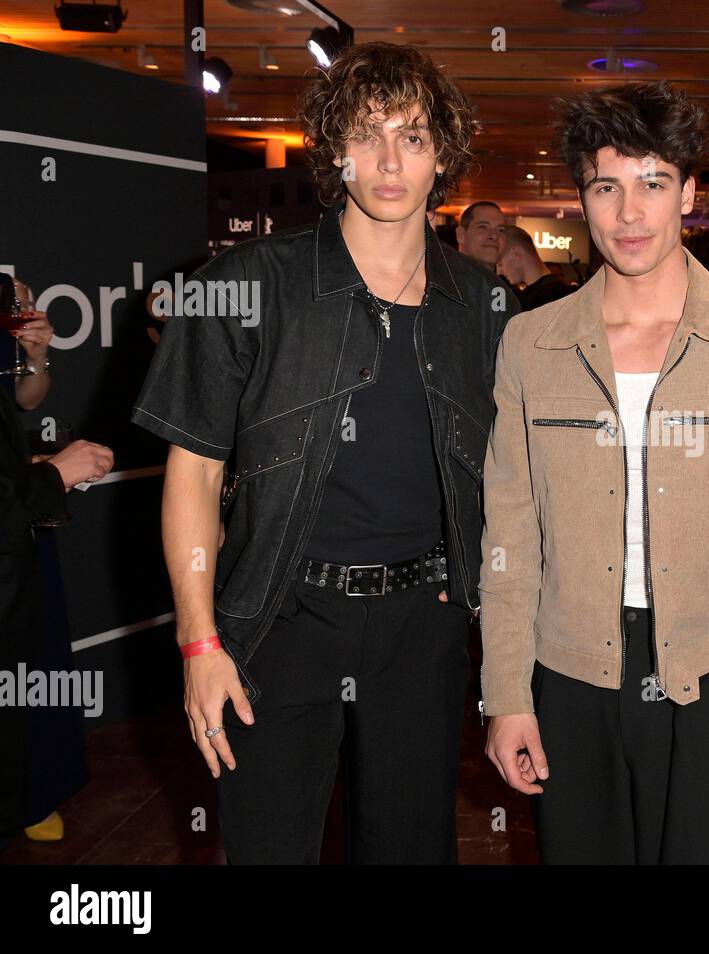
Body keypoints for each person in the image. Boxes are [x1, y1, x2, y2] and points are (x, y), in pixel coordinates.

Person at [130, 42, 519, 864]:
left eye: (412, 137)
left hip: (426, 623)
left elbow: (513, 486)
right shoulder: (247, 283)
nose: (387, 160)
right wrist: (200, 644)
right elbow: (193, 476)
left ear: (442, 155)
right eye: (365, 133)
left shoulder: (485, 306)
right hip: (280, 618)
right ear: (332, 149)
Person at [479, 79, 709, 864]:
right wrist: (506, 695)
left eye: (652, 184)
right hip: (571, 676)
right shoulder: (533, 344)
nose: (629, 214)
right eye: (606, 186)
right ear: (582, 199)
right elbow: (510, 534)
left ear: (689, 194)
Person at [1, 274, 113, 850]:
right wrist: (45, 476)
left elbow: (23, 399)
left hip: (20, 518)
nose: (25, 306)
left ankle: (30, 795)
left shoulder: (10, 314)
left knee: (33, 663)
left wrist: (37, 358)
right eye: (20, 303)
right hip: (17, 504)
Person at [498, 225, 574, 310]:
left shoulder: (550, 296)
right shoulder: (538, 294)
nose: (499, 271)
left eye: (500, 264)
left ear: (515, 253)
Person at [456, 200, 507, 272]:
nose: (494, 235)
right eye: (483, 227)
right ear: (461, 235)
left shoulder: (498, 283)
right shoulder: (441, 280)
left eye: (501, 230)